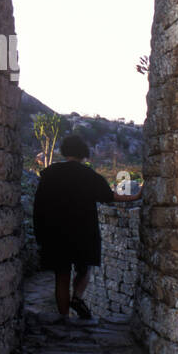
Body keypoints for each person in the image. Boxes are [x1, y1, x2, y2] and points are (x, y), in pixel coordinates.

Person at [32, 134, 141, 320]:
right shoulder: (90, 175)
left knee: (62, 275)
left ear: (65, 151)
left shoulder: (50, 173)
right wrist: (135, 197)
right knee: (84, 269)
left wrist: (39, 232)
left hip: (56, 232)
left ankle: (64, 318)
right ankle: (77, 297)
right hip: (83, 232)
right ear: (83, 153)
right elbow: (110, 196)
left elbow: (38, 204)